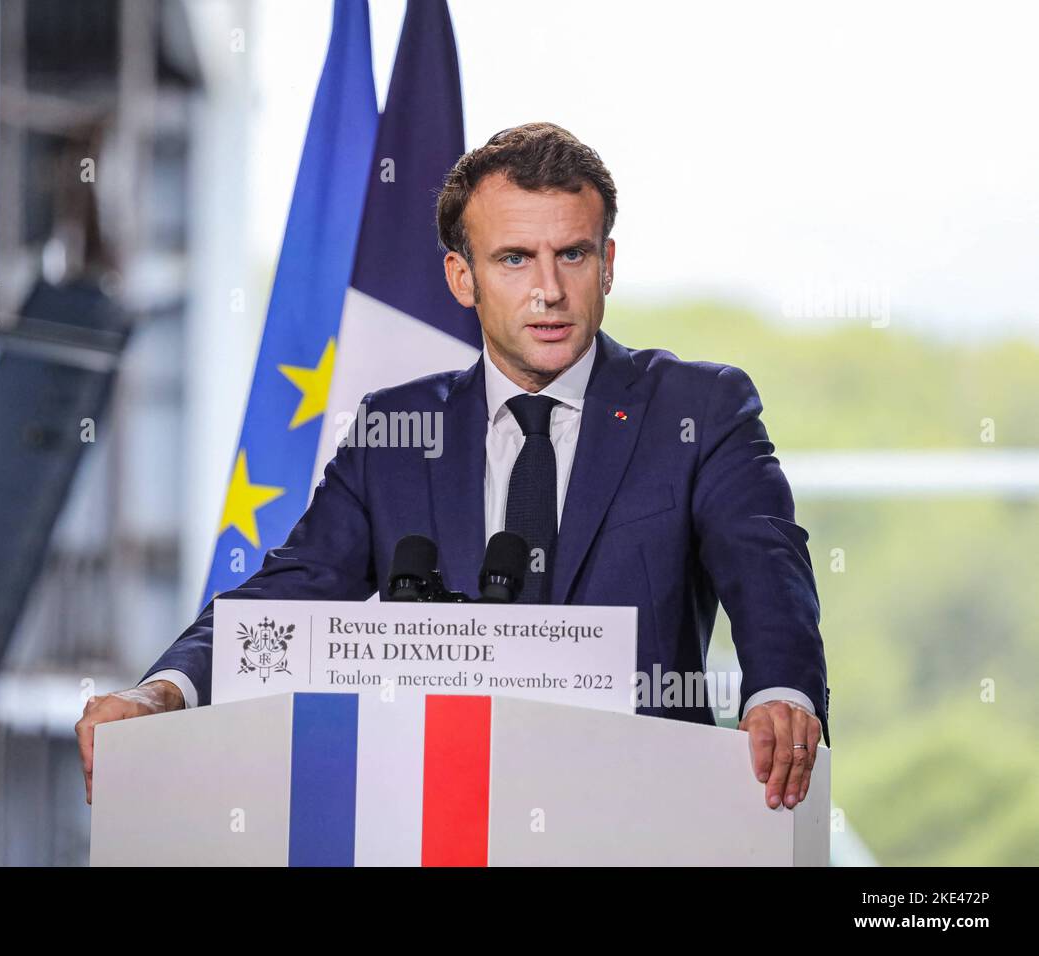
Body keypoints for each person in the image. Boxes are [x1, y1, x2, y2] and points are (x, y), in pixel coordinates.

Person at [76, 123, 829, 814]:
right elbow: (289, 592)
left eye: (573, 253)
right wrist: (164, 692)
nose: (549, 290)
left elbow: (768, 574)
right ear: (462, 278)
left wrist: (781, 690)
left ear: (607, 265)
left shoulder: (697, 409)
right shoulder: (395, 432)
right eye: (513, 259)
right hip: (443, 818)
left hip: (643, 817)